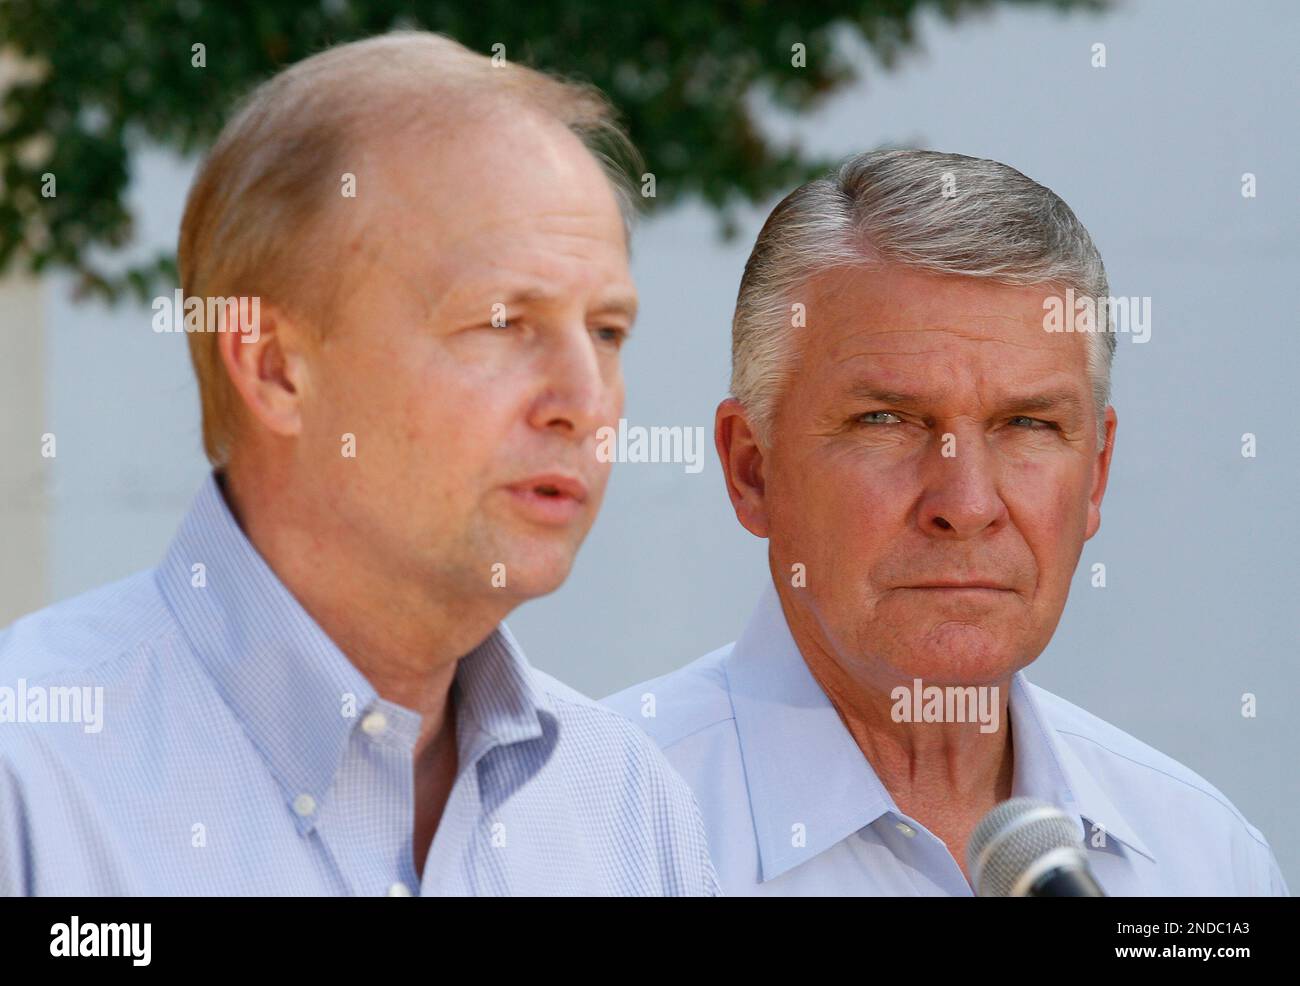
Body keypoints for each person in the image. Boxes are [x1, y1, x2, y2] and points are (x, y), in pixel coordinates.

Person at [0, 32, 717, 897]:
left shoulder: (630, 809)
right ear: (274, 369)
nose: (587, 400)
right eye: (501, 322)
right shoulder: (30, 780)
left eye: (606, 331)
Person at [605, 149, 1288, 896]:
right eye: (886, 420)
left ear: (1095, 473)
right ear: (752, 470)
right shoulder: (580, 837)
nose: (965, 504)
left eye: (1026, 423)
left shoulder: (1204, 860)